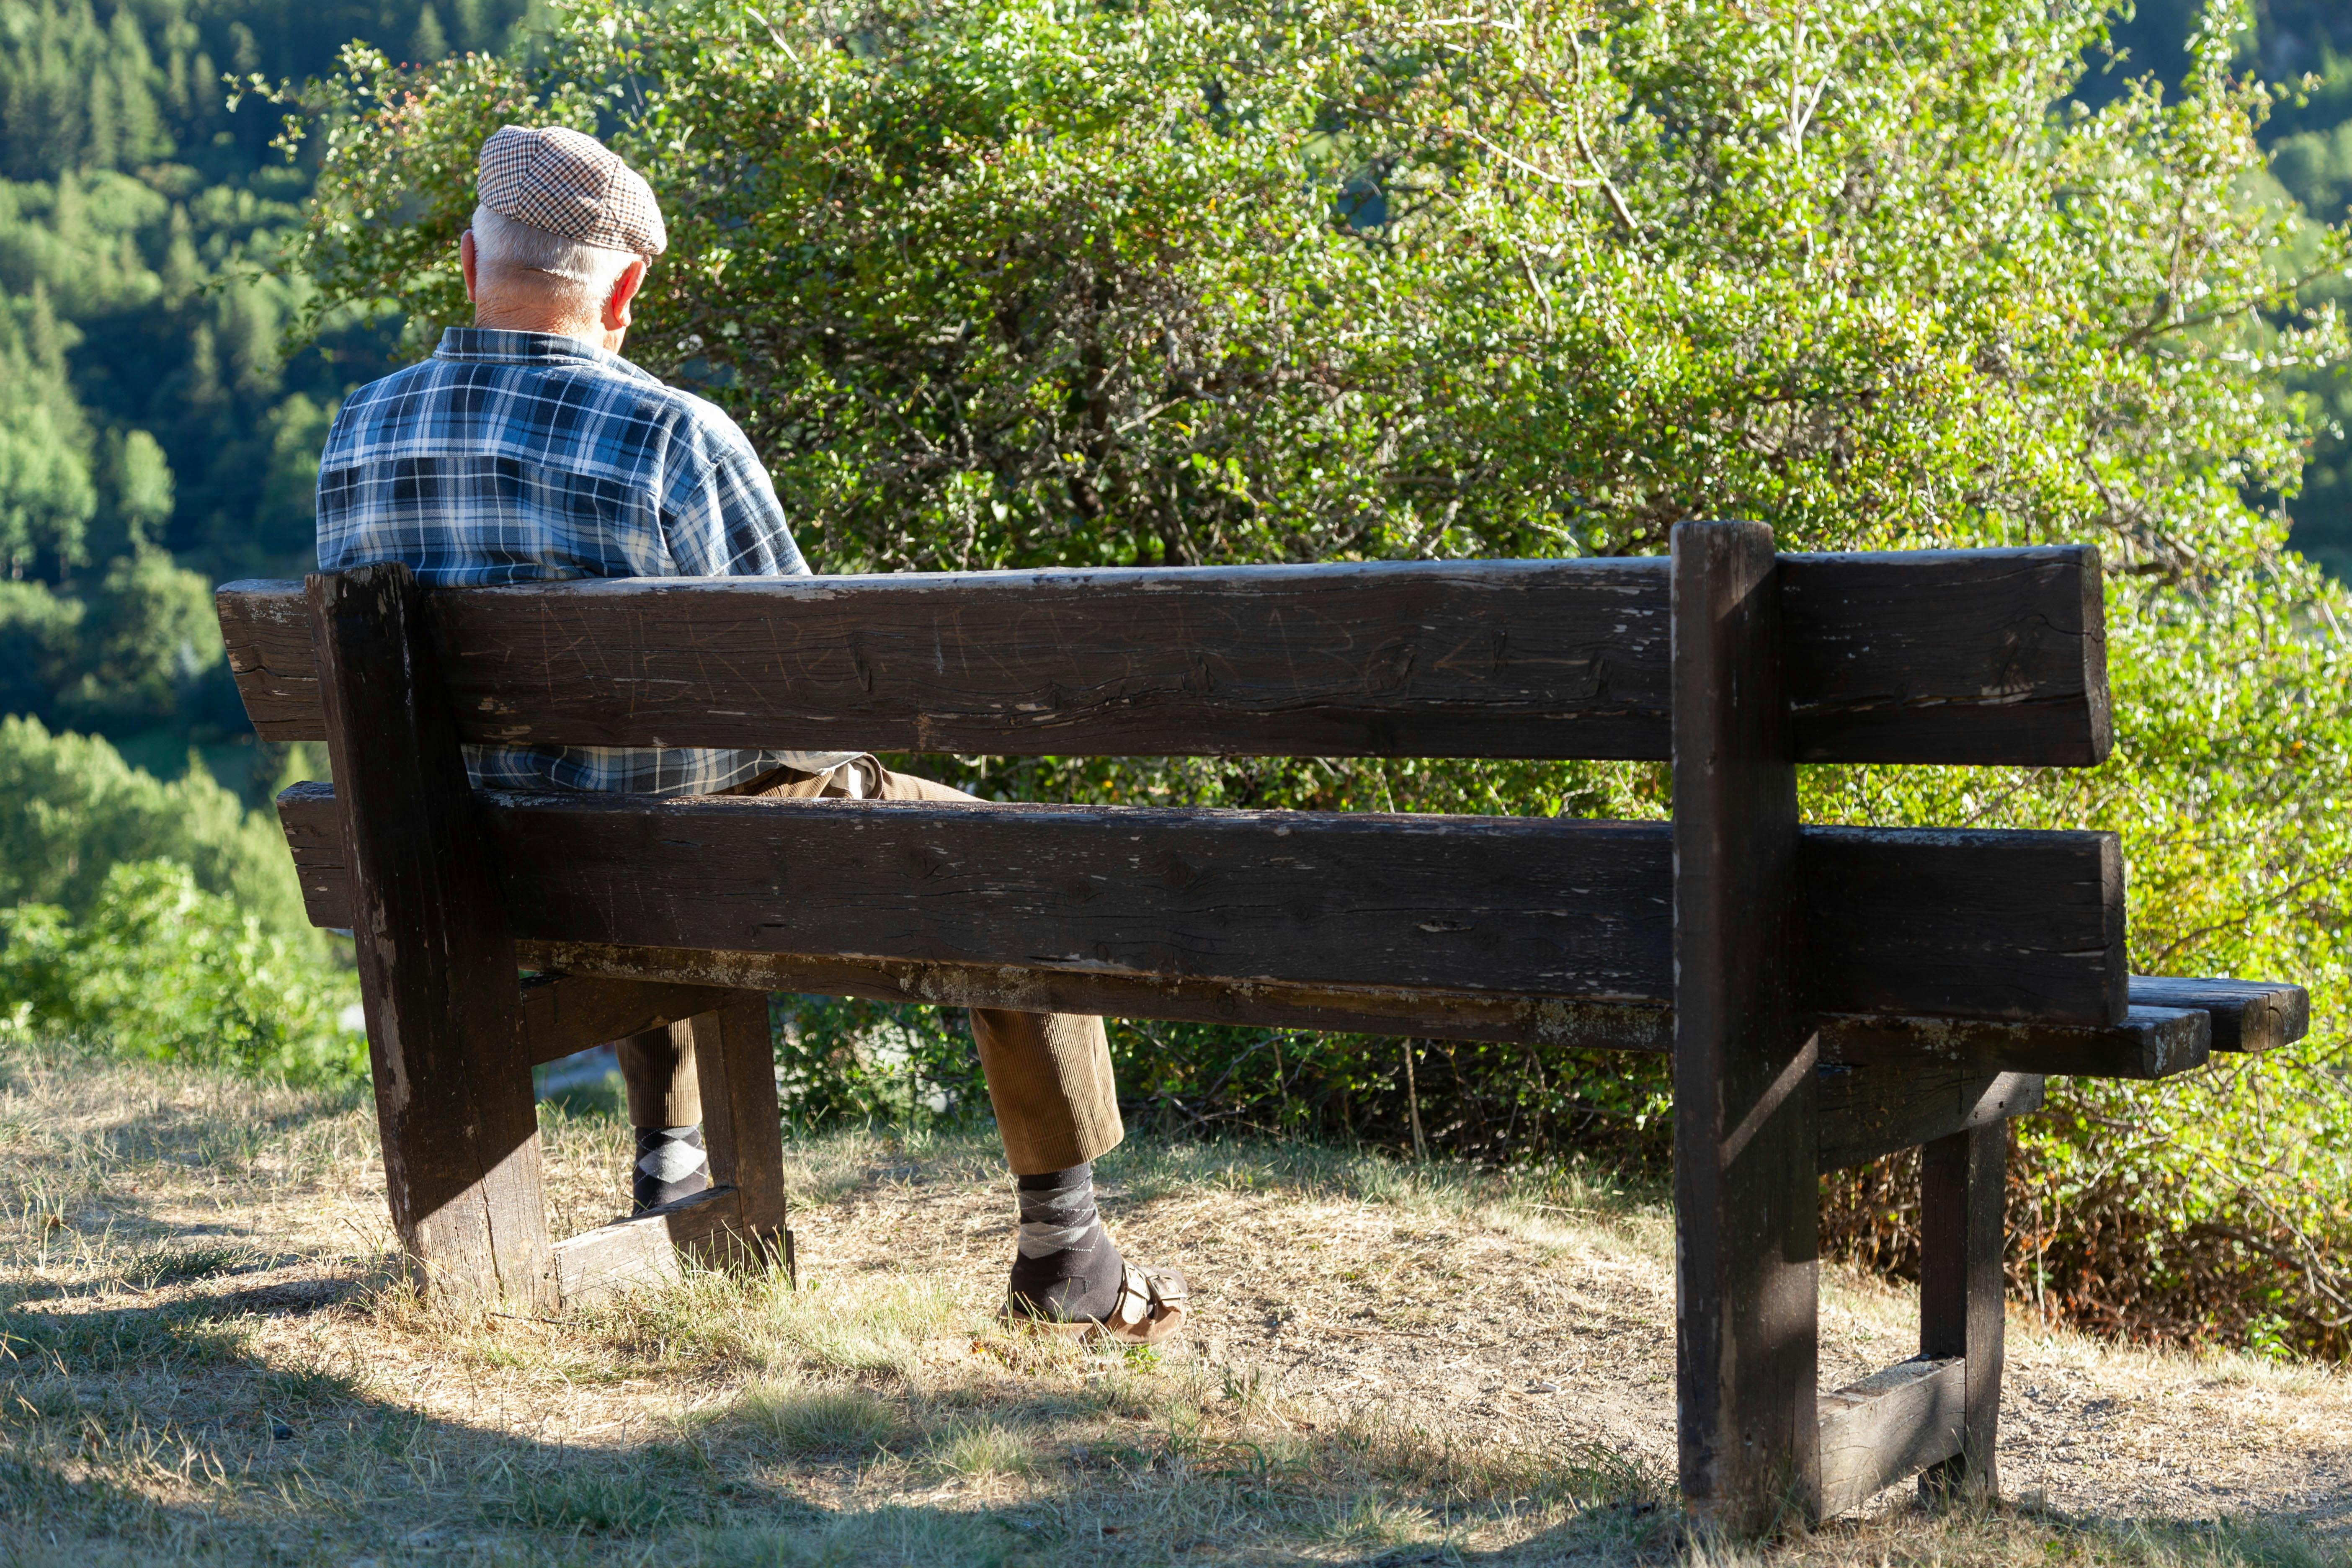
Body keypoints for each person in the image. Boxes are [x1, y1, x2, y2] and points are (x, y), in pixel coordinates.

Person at [313, 124, 1186, 1344]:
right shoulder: (674, 436)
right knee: (1014, 866)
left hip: (467, 869)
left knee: (613, 816)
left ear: (470, 262)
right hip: (691, 872)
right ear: (623, 288)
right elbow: (812, 702)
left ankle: (669, 1171)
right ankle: (1067, 1253)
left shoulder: (360, 431)